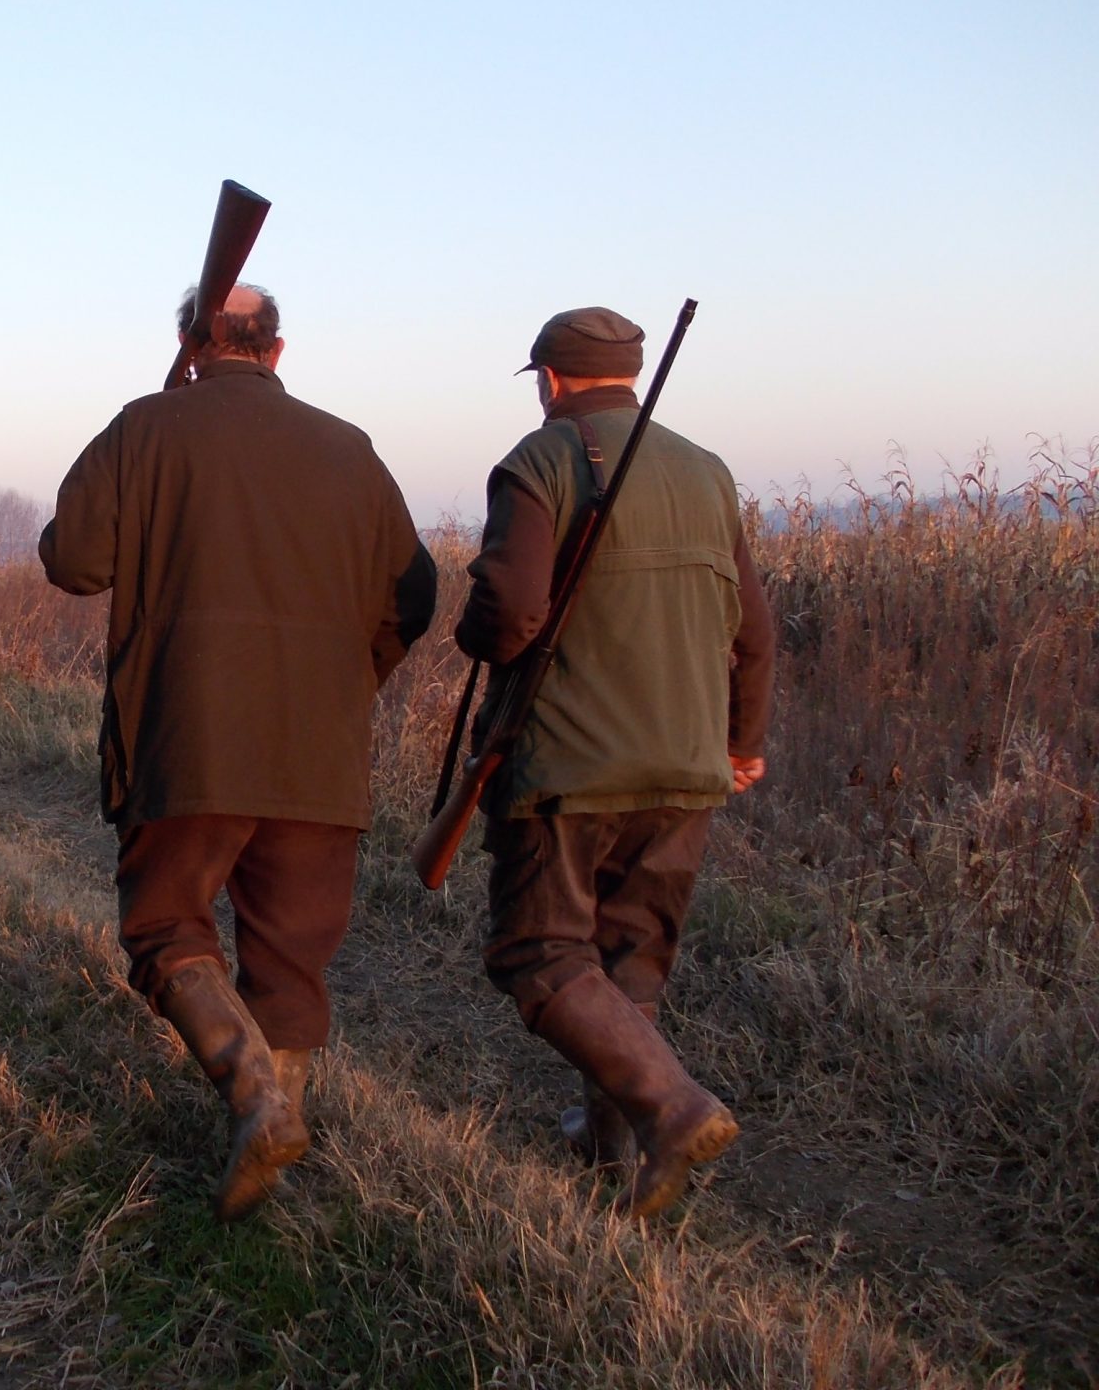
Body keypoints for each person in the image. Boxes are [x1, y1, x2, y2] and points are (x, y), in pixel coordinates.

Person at [40, 283, 436, 1221]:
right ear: (278, 350)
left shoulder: (142, 428)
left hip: (189, 740)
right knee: (290, 960)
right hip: (319, 753)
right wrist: (348, 681)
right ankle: (267, 1158)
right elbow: (414, 597)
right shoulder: (351, 448)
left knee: (166, 926)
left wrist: (138, 442)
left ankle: (258, 1103)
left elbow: (72, 561)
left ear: (189, 343)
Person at [456, 305, 775, 1218]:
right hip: (686, 770)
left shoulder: (540, 461)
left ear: (552, 380)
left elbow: (510, 615)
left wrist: (473, 631)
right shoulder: (709, 472)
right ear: (630, 376)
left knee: (540, 951)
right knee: (631, 958)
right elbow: (756, 632)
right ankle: (612, 1147)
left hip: (569, 766)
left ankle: (672, 1108)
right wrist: (741, 743)